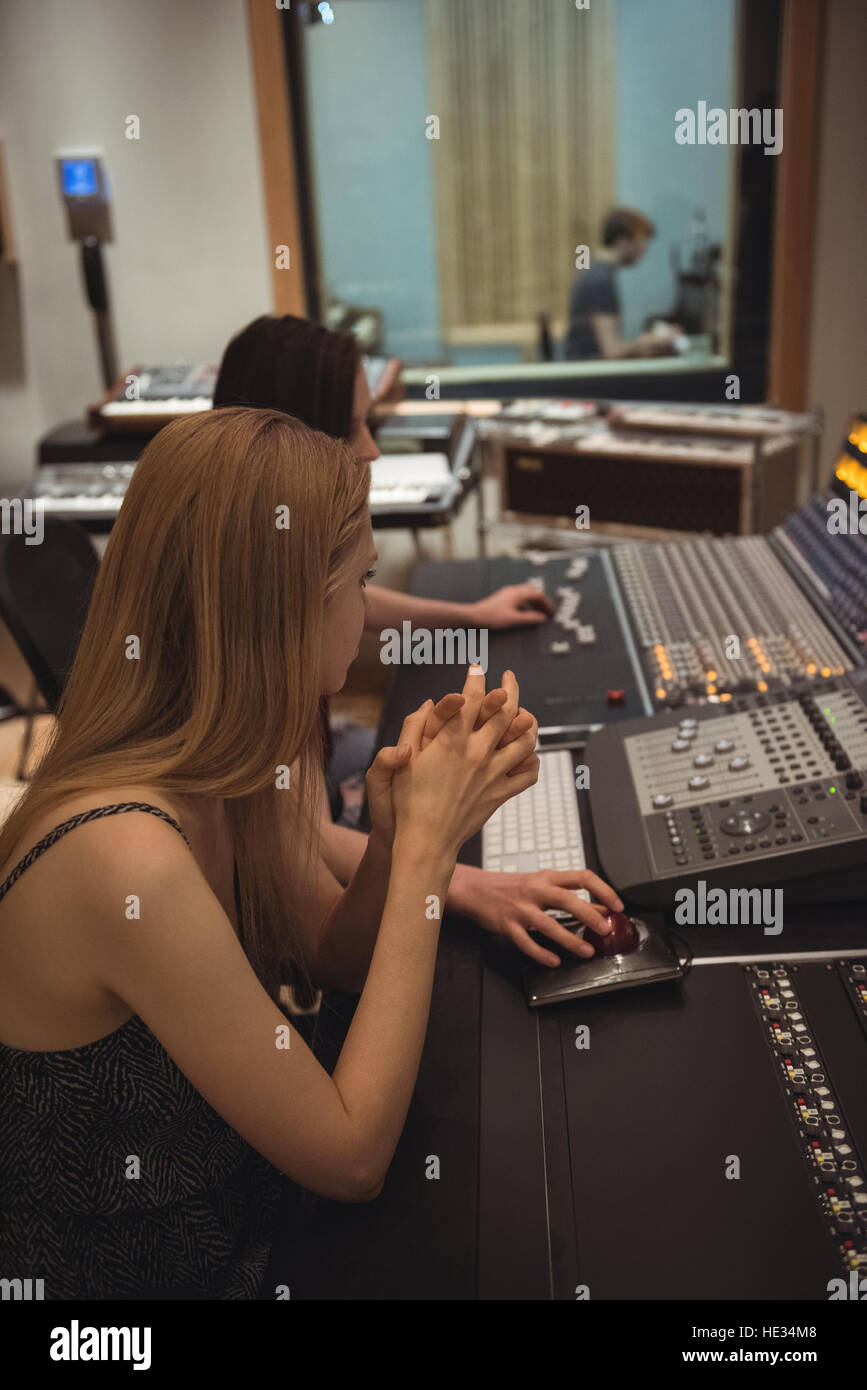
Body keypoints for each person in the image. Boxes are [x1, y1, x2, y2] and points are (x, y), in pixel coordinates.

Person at [0, 407, 623, 1299]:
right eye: (359, 583)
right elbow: (349, 1154)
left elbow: (332, 953)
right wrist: (425, 858)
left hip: (237, 1201)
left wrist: (397, 835)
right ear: (286, 605)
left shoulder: (228, 766)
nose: (366, 611)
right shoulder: (123, 857)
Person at [214, 315, 620, 970]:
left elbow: (341, 596)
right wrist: (466, 883)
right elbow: (312, 872)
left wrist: (468, 614)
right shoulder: (249, 648)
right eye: (351, 427)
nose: (370, 449)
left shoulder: (258, 559)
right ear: (290, 434)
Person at [565, 208, 681, 361]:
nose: (644, 250)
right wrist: (647, 341)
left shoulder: (596, 270)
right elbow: (611, 352)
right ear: (622, 241)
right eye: (641, 241)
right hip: (587, 372)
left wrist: (644, 344)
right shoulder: (600, 280)